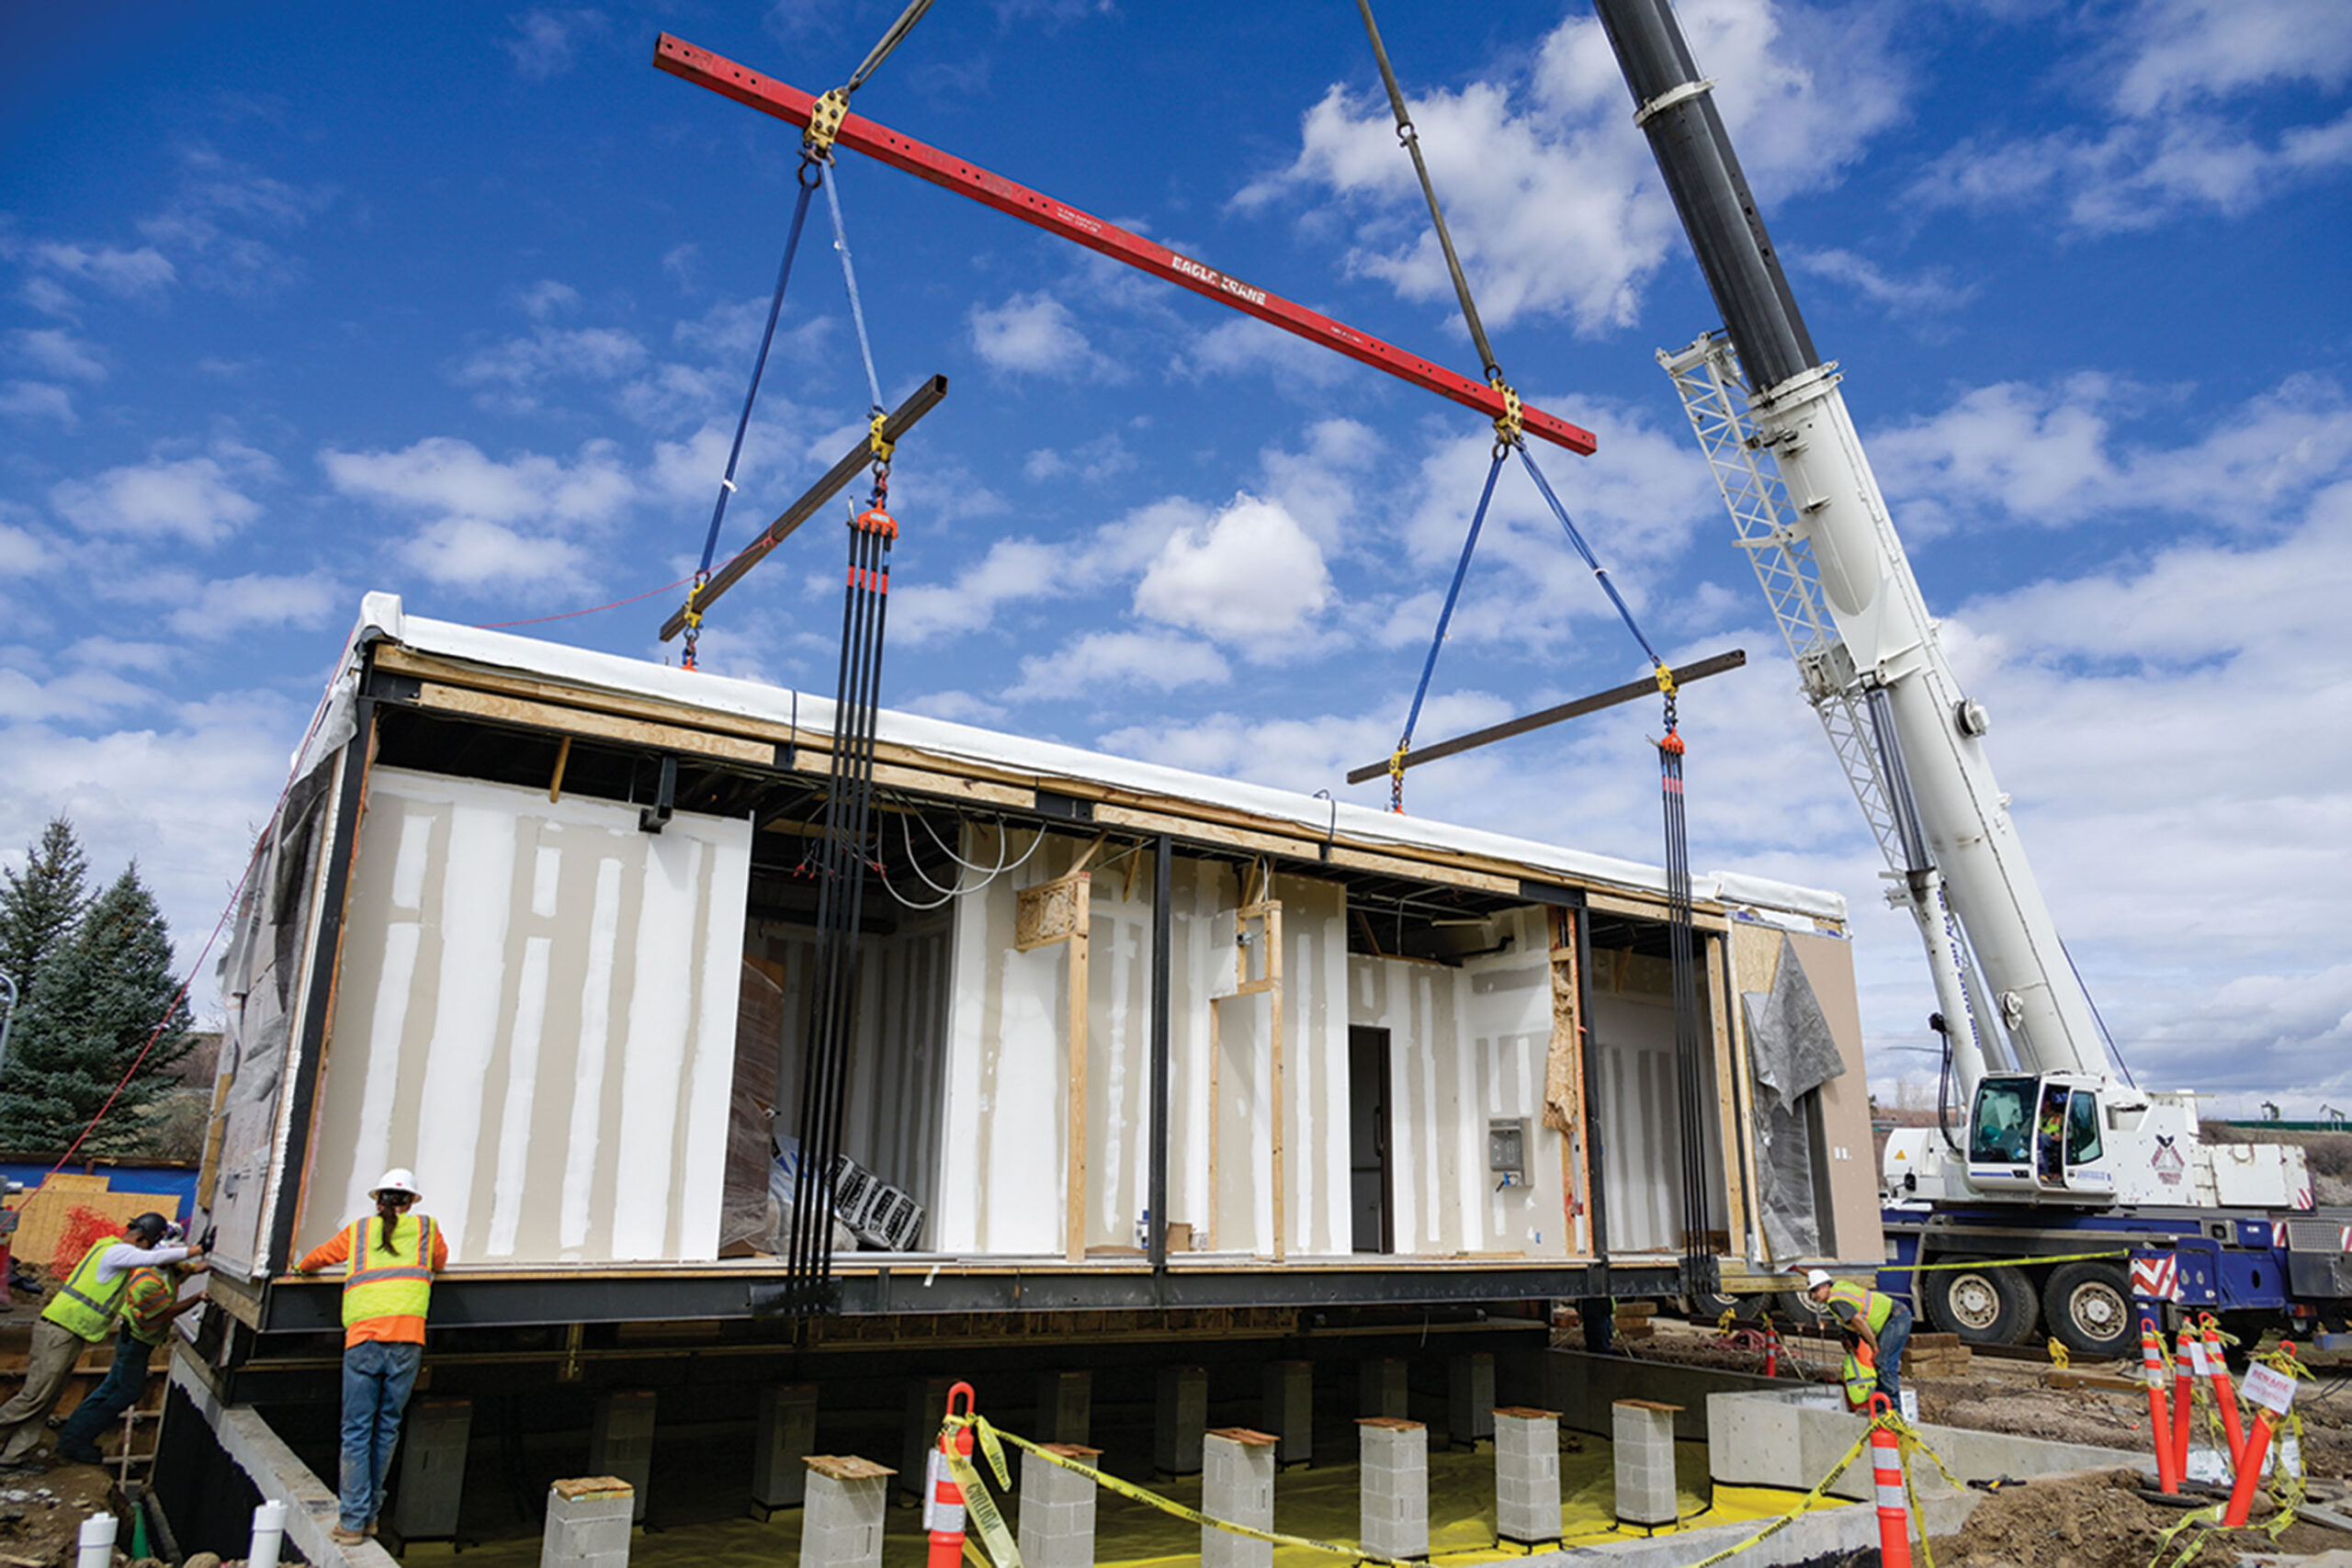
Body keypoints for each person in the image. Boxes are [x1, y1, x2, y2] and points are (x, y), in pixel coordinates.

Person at [297, 1168, 447, 1545]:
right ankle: (370, 1517)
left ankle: (352, 1522)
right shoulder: (426, 1229)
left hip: (364, 1341)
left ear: (378, 1200)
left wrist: (300, 1268)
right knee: (387, 1427)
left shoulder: (359, 1232)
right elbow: (440, 1262)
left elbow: (316, 1259)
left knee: (356, 1431)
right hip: (408, 1341)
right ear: (411, 1202)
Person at [0, 1213, 205, 1470]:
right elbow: (153, 1258)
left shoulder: (109, 1247)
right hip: (60, 1331)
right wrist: (197, 1250)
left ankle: (13, 1457)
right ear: (141, 1238)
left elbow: (163, 1261)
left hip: (70, 1332)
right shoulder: (116, 1252)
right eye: (150, 1244)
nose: (149, 1250)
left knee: (47, 1398)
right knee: (35, 1397)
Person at [54, 1235, 209, 1464]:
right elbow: (163, 1312)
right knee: (127, 1392)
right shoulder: (146, 1281)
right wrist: (197, 1298)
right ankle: (76, 1440)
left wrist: (214, 1259)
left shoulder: (167, 1267)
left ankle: (74, 1437)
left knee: (110, 1389)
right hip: (135, 1341)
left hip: (139, 1340)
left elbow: (192, 1268)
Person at [1802, 1268, 1914, 1405]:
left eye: (1815, 1291)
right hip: (1891, 1317)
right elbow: (1813, 1275)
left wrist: (1874, 1346)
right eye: (1811, 1292)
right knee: (1880, 1365)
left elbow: (1859, 1322)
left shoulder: (1836, 1301)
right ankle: (1881, 1406)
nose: (1813, 1296)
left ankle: (1894, 1409)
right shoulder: (1838, 1287)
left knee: (1885, 1363)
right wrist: (1796, 1269)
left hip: (1895, 1318)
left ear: (1825, 1286)